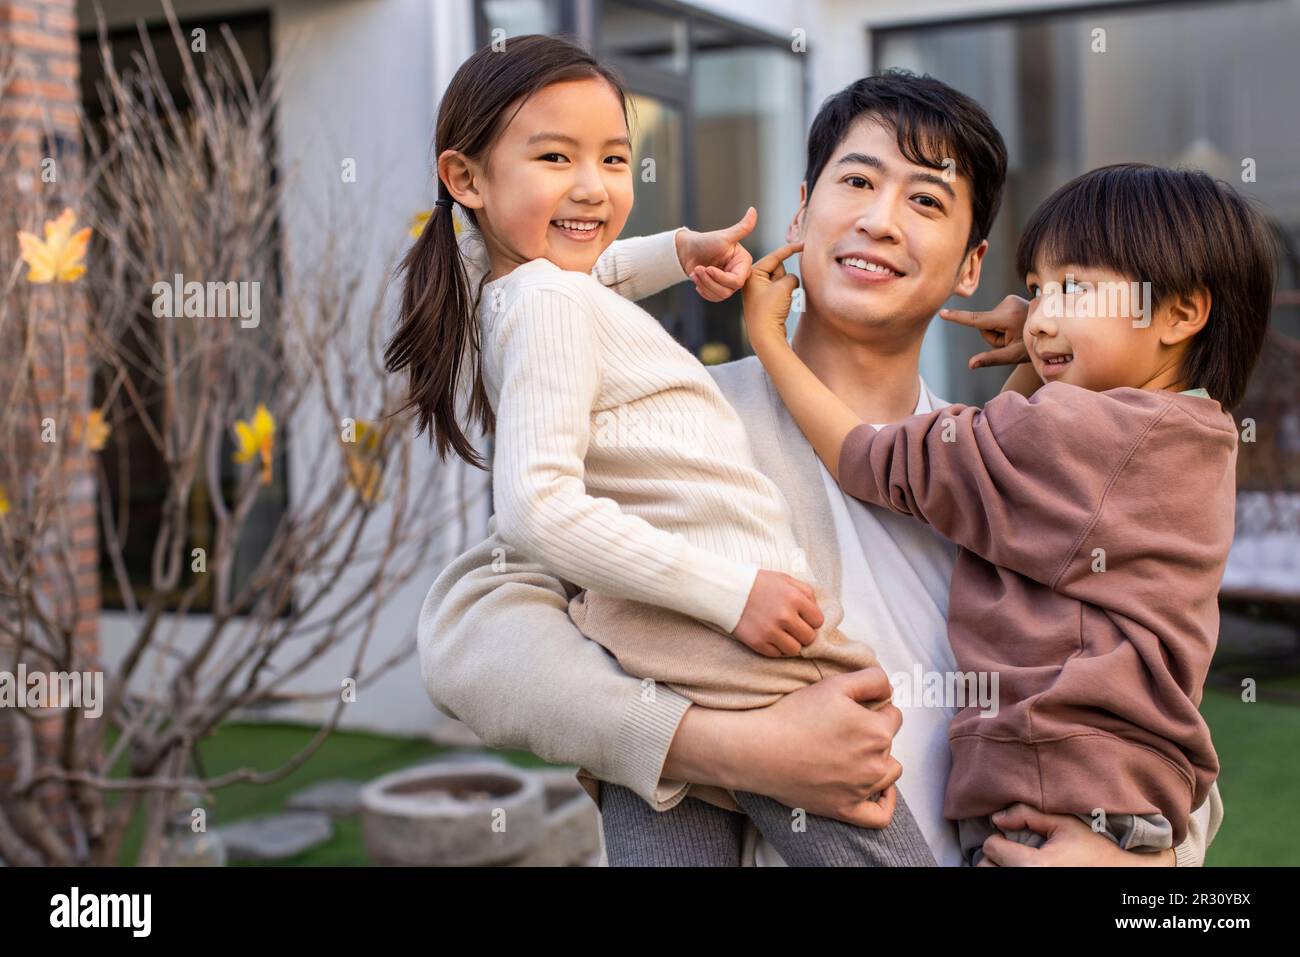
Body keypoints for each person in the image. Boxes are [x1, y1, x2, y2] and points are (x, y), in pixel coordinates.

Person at [418, 70, 1225, 866]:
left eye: (926, 200)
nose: (880, 220)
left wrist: (1149, 868)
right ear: (803, 211)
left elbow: (1158, 715)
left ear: (972, 265)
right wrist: (724, 746)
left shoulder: (1027, 469)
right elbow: (471, 634)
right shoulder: (674, 423)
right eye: (859, 181)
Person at [386, 35, 934, 866]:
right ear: (466, 179)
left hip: (651, 641)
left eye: (614, 158)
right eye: (555, 156)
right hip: (733, 640)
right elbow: (535, 510)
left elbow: (580, 273)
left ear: (972, 260)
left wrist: (672, 252)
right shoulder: (548, 306)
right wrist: (733, 593)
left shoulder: (525, 290)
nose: (594, 186)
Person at [742, 162, 1273, 864]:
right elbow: (1005, 475)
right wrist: (1046, 350)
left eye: (1076, 289)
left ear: (1180, 312)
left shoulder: (1076, 433)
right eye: (1038, 290)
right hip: (1120, 802)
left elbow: (872, 461)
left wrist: (770, 343)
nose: (1044, 314)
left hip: (1044, 804)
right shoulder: (1194, 432)